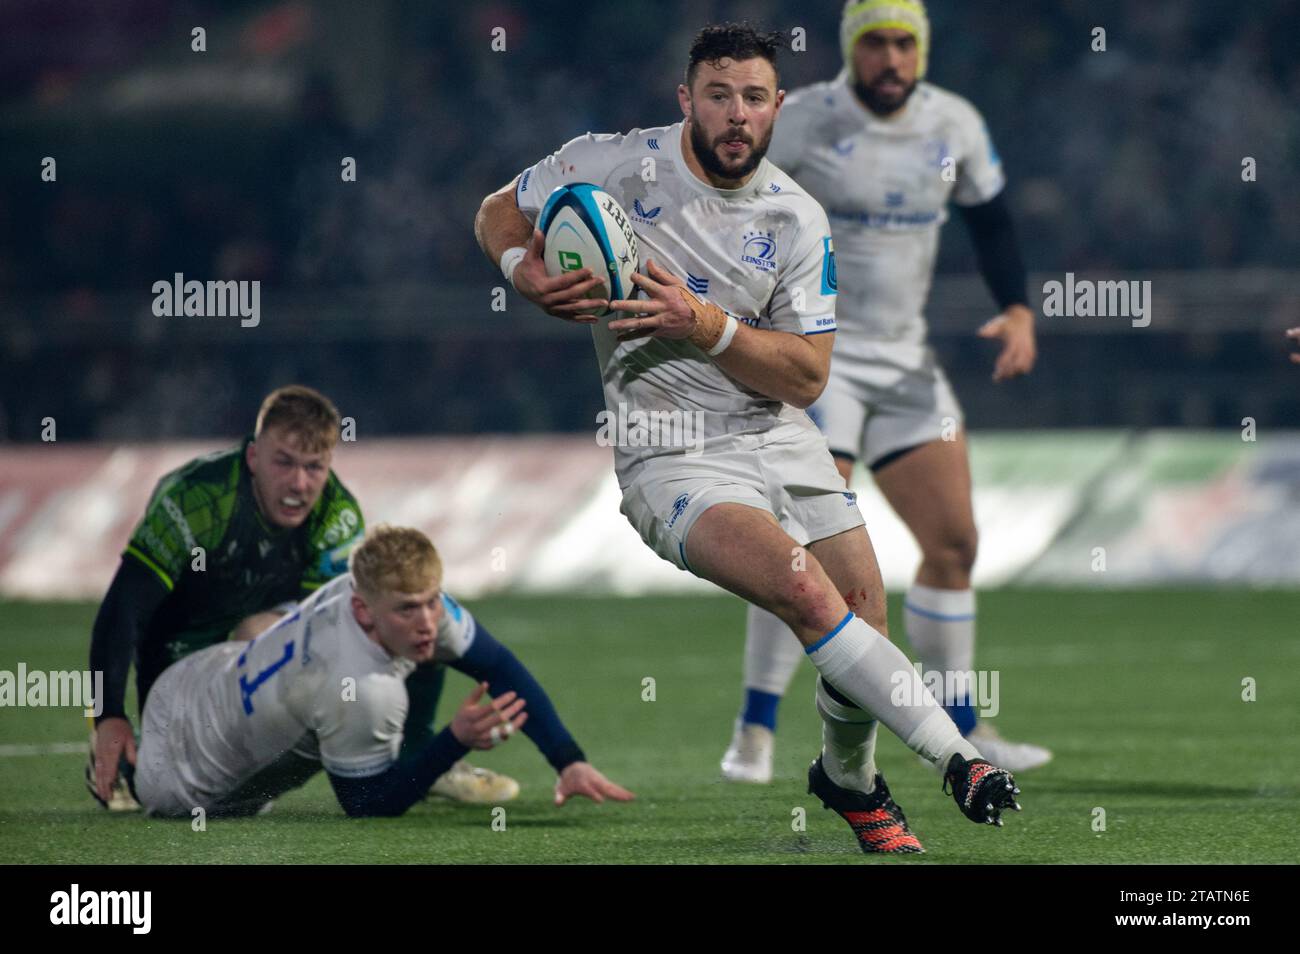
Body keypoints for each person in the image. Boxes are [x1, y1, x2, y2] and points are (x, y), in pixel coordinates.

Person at [476, 22, 1020, 853]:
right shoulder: (610, 165)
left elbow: (807, 377)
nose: (738, 115)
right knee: (806, 593)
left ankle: (847, 782)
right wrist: (528, 276)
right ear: (686, 99)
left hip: (777, 434)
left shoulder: (796, 217)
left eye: (755, 99)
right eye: (720, 95)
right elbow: (496, 213)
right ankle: (959, 760)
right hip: (671, 450)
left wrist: (702, 323)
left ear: (777, 108)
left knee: (866, 616)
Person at [720, 0, 1051, 785]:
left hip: (905, 365)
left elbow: (992, 219)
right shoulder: (800, 122)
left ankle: (967, 726)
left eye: (906, 43)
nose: (892, 59)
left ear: (923, 51)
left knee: (954, 544)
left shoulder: (955, 125)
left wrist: (1016, 311)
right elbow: (735, 209)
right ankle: (755, 727)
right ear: (850, 50)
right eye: (876, 44)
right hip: (817, 358)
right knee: (797, 554)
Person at [87, 385, 515, 811]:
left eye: (314, 467)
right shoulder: (194, 500)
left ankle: (417, 760)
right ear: (253, 457)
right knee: (200, 783)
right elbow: (124, 608)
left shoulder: (337, 514)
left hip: (259, 646)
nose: (298, 484)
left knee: (398, 618)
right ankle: (134, 761)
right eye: (284, 463)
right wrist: (109, 715)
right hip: (178, 661)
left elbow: (337, 631)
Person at [132, 524, 632, 818]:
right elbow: (368, 804)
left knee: (414, 649)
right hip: (181, 785)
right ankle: (123, 767)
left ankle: (410, 754)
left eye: (434, 602)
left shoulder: (369, 591)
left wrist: (568, 759)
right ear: (366, 611)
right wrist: (453, 740)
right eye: (409, 609)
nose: (428, 621)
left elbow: (498, 665)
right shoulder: (363, 690)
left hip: (187, 680)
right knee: (383, 689)